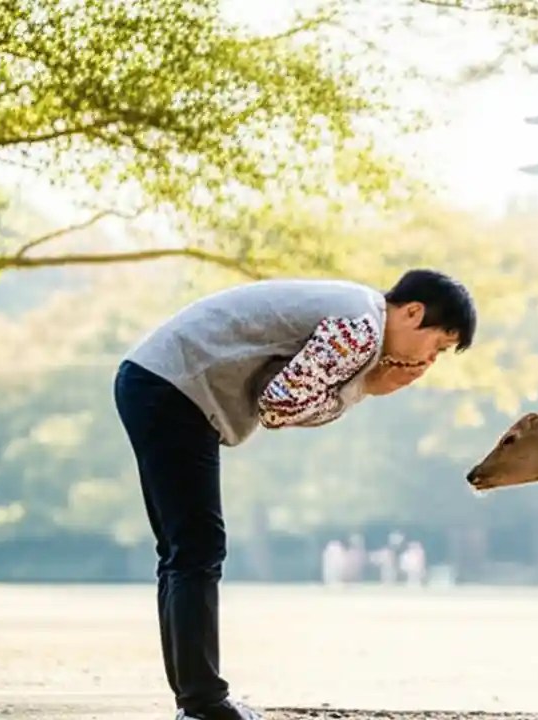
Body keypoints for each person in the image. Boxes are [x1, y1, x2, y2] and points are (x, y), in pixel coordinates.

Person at [113, 269, 476, 720]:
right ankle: (203, 703)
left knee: (185, 551)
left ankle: (197, 700)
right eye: (437, 346)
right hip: (172, 389)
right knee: (195, 550)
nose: (430, 361)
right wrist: (364, 387)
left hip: (158, 382)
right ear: (413, 312)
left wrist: (361, 383)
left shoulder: (355, 310)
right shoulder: (360, 329)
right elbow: (279, 404)